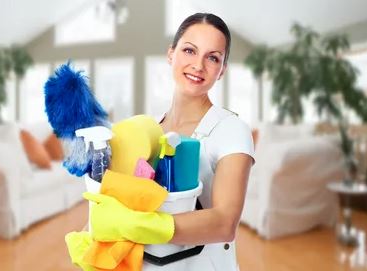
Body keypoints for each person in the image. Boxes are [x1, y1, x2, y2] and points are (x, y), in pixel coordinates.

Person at [70, 12, 255, 271]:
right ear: (171, 54)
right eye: (190, 51)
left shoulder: (231, 129)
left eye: (213, 57)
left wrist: (139, 226)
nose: (198, 65)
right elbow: (122, 199)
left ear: (222, 70)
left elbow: (225, 224)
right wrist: (93, 233)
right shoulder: (147, 130)